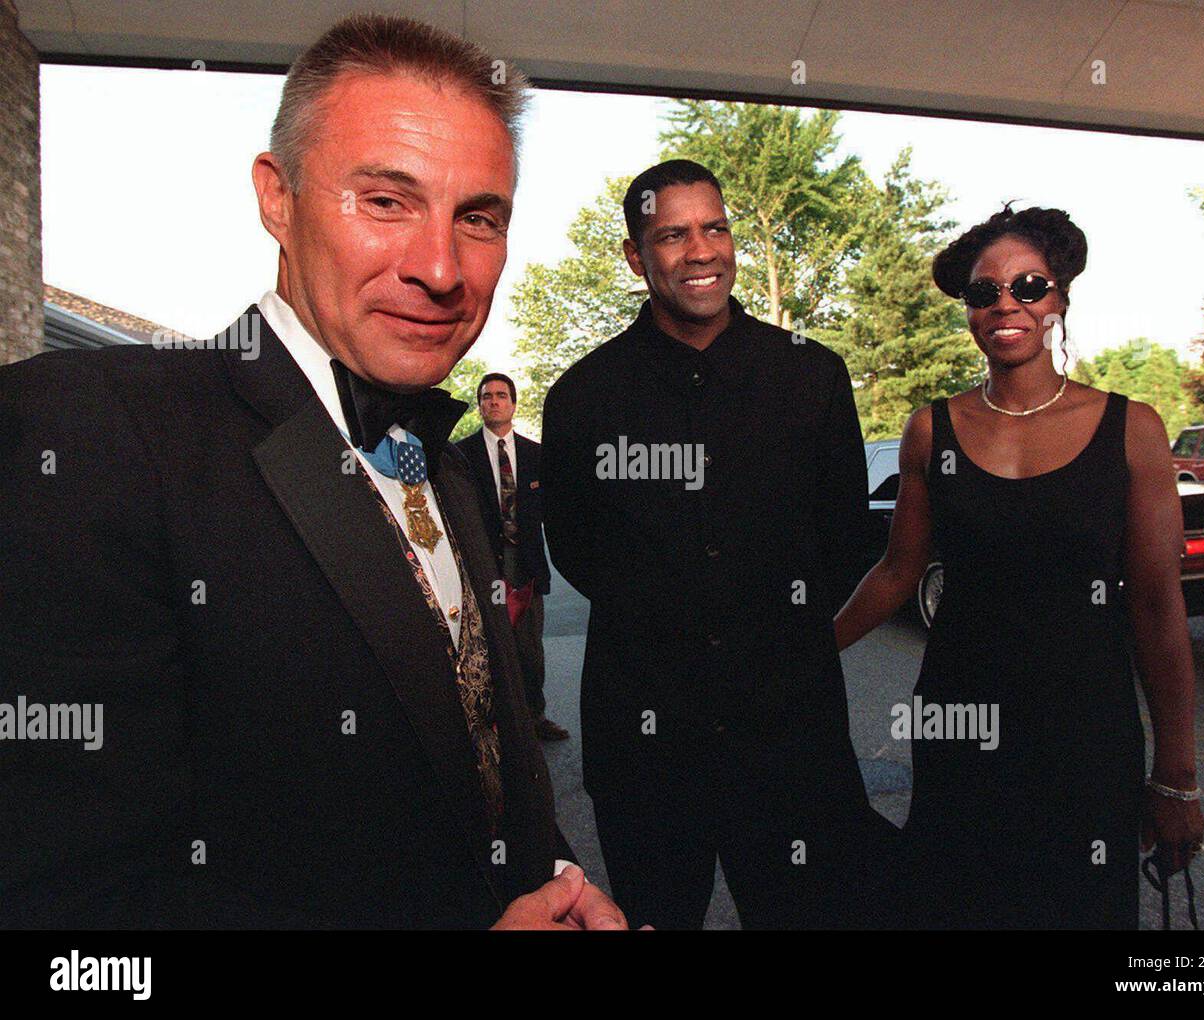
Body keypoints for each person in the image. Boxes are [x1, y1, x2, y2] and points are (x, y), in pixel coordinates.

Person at [0, 13, 627, 931]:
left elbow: (483, 748)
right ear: (277, 197)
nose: (442, 268)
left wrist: (561, 886)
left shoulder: (442, 465)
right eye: (386, 201)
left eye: (479, 218)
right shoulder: (94, 428)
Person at [542, 159, 898, 930]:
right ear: (637, 257)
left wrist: (779, 630)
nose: (701, 251)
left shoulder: (811, 375)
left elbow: (843, 535)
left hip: (791, 743)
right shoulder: (582, 396)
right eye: (672, 234)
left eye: (715, 227)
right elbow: (575, 547)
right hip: (646, 752)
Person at [834, 205, 1204, 929]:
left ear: (1060, 298)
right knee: (952, 907)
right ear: (970, 311)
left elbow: (1159, 609)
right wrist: (805, 650)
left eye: (1029, 286)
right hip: (956, 721)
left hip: (1083, 733)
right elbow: (896, 572)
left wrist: (1178, 778)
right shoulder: (930, 428)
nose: (1007, 304)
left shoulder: (1131, 428)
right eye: (985, 292)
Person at [457, 373, 568, 741]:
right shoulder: (461, 455)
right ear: (480, 404)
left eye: (501, 395)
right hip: (486, 565)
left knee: (530, 651)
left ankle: (534, 718)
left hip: (528, 566)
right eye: (487, 396)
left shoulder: (538, 455)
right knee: (491, 645)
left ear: (513, 404)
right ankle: (495, 722)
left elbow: (555, 510)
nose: (494, 401)